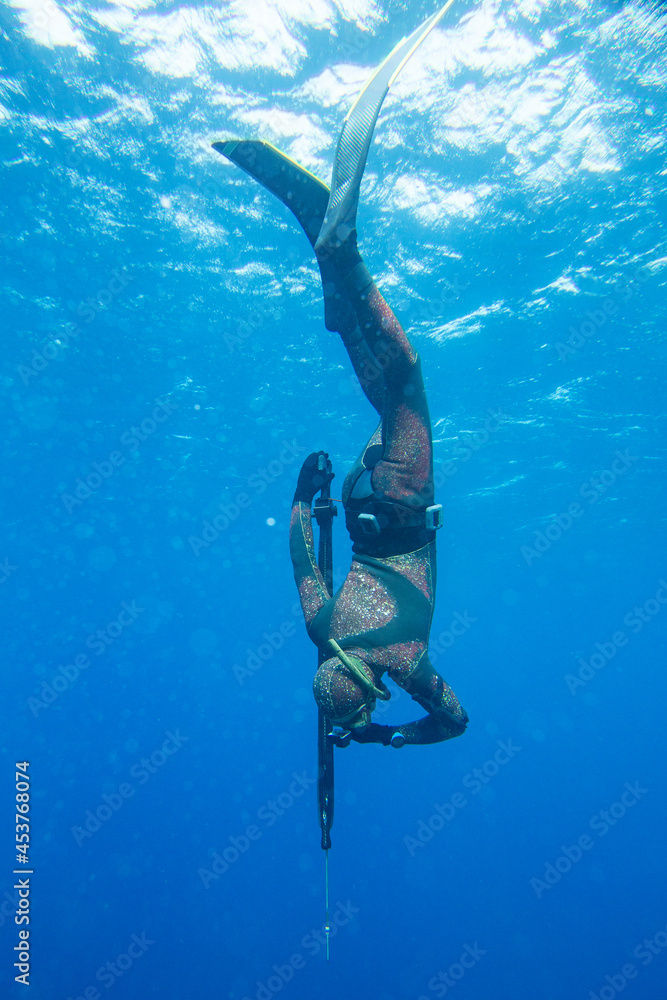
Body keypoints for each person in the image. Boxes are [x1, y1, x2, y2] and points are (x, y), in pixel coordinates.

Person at [215, 2, 468, 746]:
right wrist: (304, 492)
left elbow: (454, 723)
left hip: (399, 505)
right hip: (357, 503)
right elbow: (297, 545)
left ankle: (345, 258)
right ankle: (339, 298)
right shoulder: (321, 631)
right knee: (386, 393)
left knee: (408, 380)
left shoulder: (404, 659)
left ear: (367, 693)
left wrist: (387, 736)